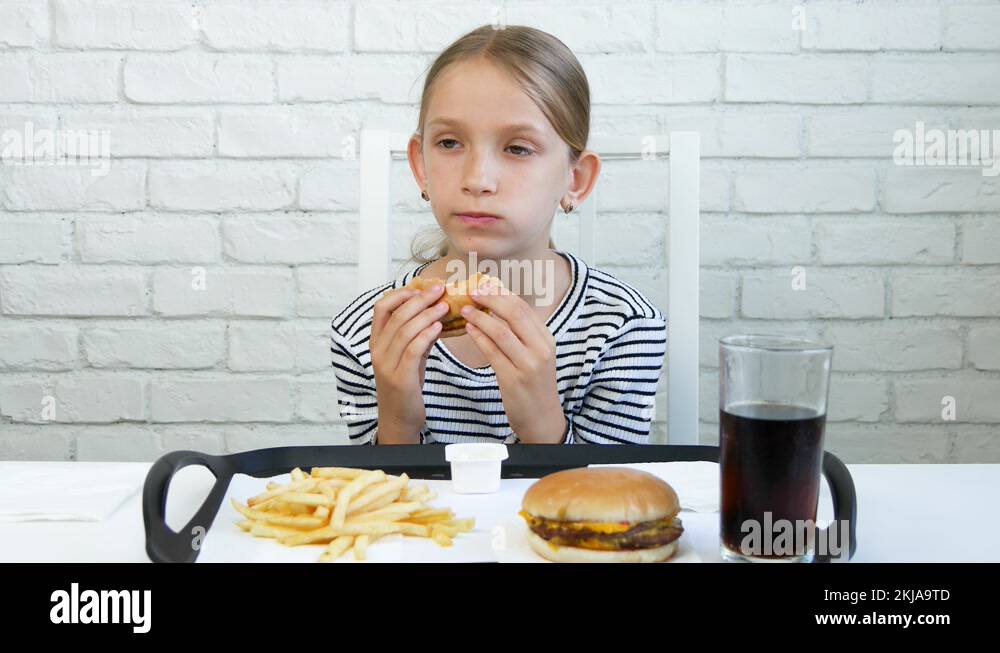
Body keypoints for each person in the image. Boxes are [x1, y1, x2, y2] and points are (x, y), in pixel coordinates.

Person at [331, 25, 666, 445]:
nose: (478, 179)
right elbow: (381, 505)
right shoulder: (366, 330)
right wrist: (398, 420)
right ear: (421, 166)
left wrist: (543, 424)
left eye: (518, 148)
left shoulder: (623, 326)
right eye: (450, 143)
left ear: (575, 180)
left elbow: (611, 499)